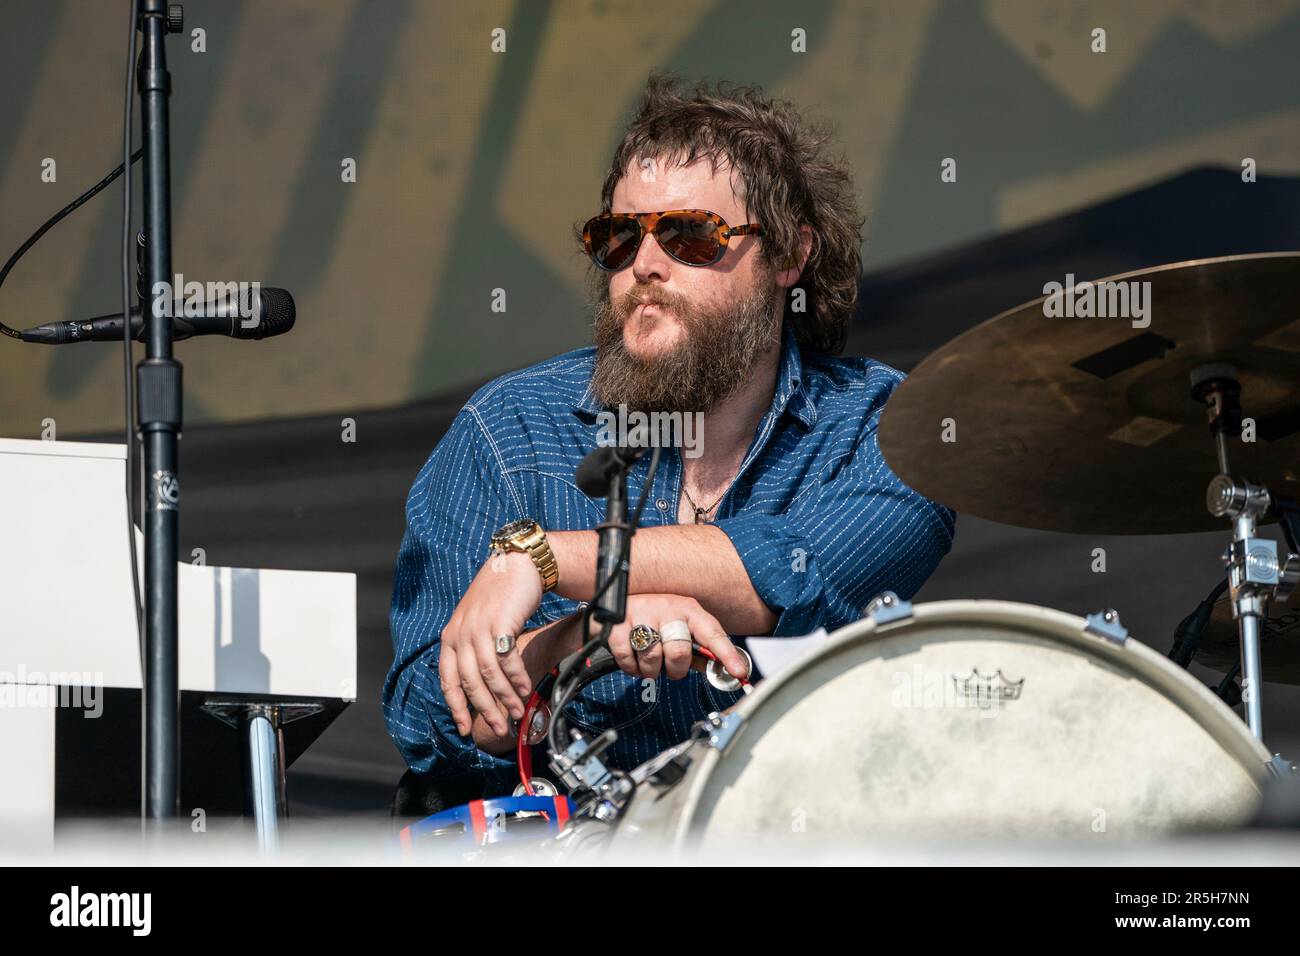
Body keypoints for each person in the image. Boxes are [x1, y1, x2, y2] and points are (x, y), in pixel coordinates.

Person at [384, 74, 956, 799]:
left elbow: (798, 575)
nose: (646, 264)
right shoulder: (507, 429)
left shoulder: (881, 424)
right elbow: (426, 719)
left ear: (790, 256)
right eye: (620, 238)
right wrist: (584, 637)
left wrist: (543, 557)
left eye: (689, 234)